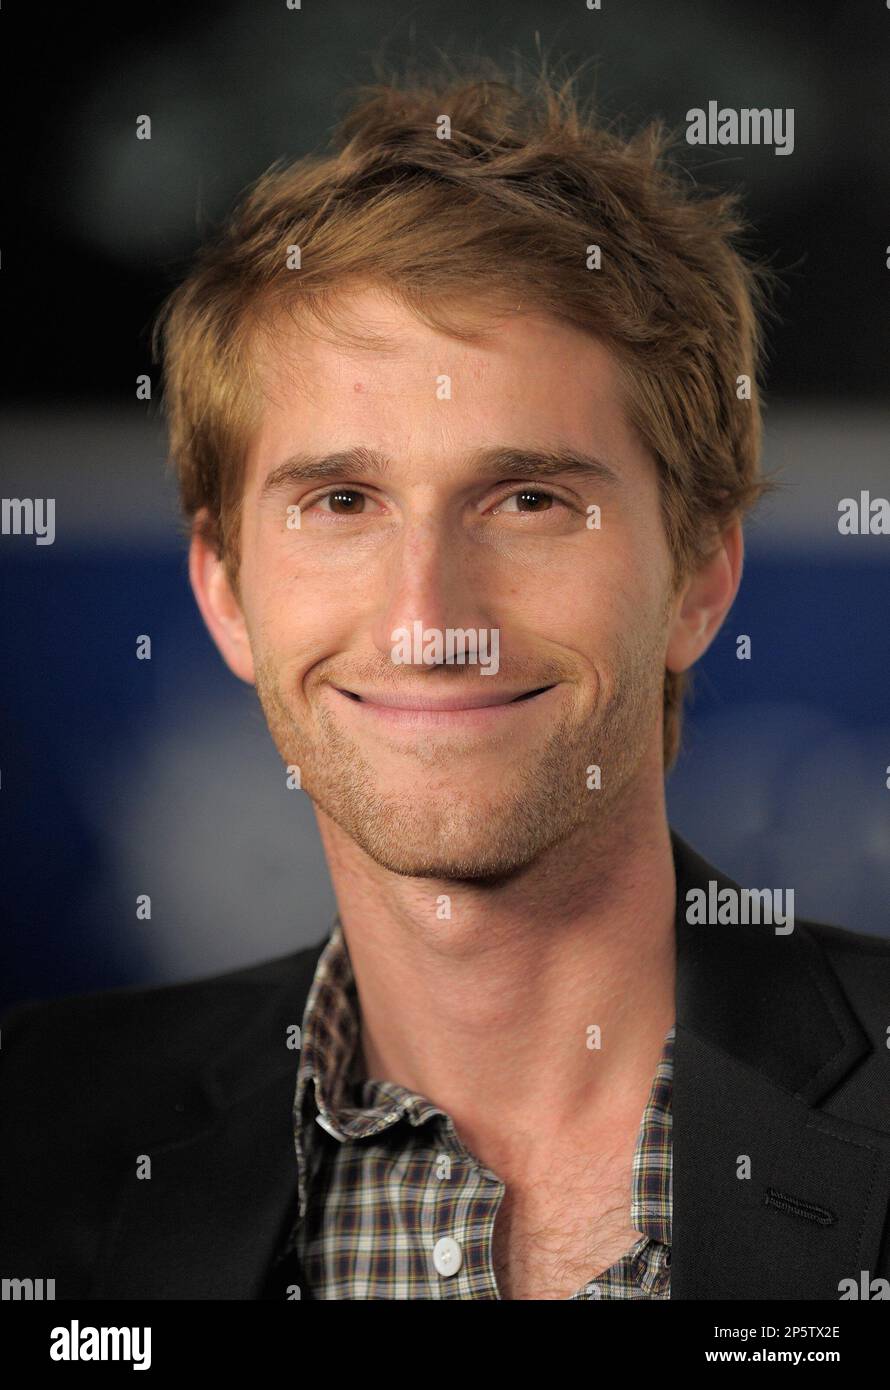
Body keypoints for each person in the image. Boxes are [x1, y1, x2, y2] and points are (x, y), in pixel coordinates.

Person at [2, 61, 888, 1302]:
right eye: (341, 502)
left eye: (526, 499)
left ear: (698, 576)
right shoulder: (34, 1133)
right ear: (221, 590)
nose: (429, 620)